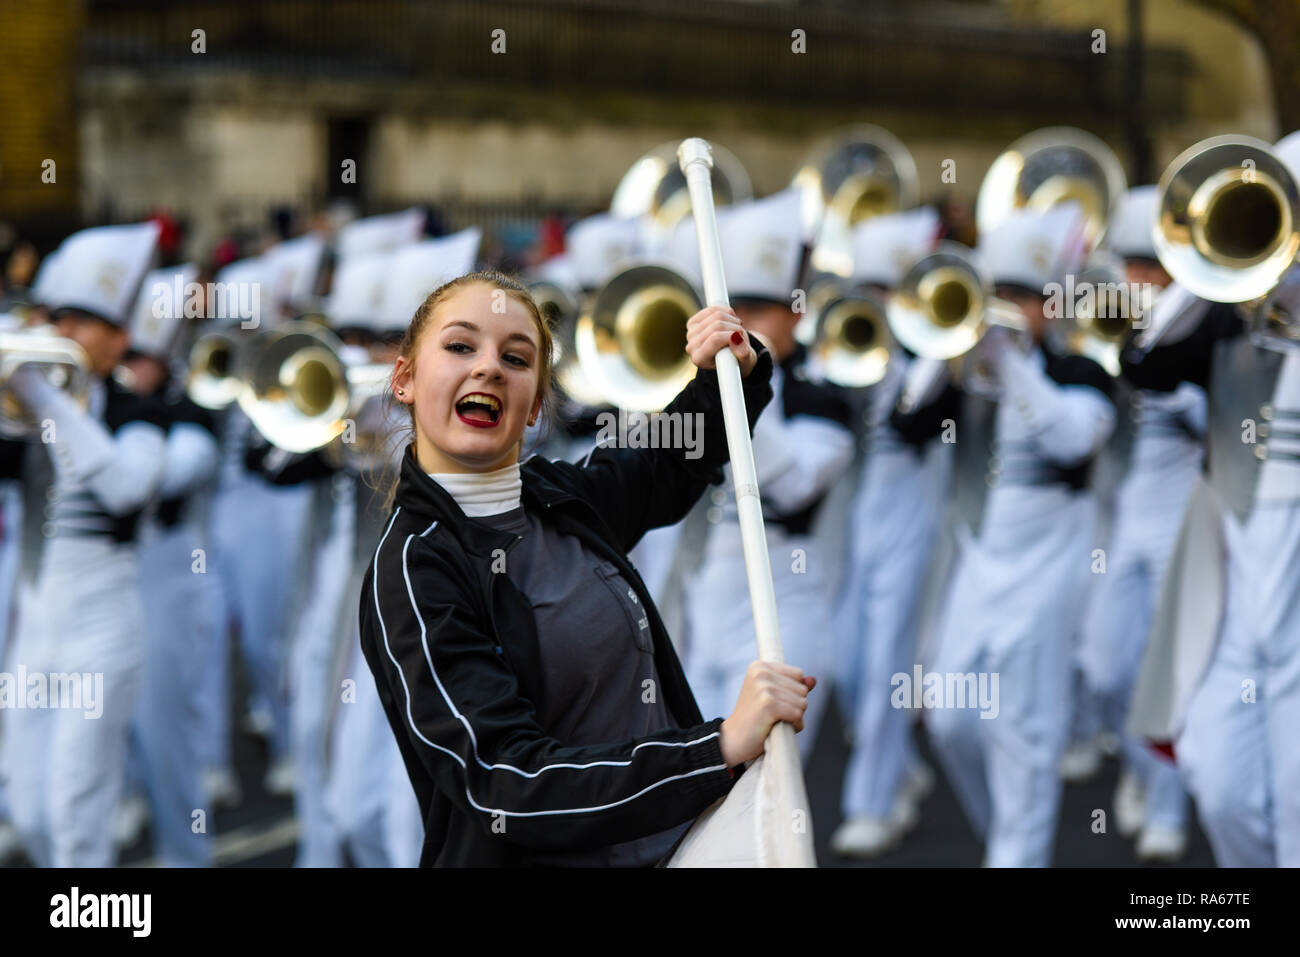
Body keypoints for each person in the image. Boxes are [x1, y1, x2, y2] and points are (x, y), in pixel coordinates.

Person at [359, 269, 816, 867]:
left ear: (534, 408)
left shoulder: (556, 495)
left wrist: (733, 366)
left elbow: (671, 463)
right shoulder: (414, 569)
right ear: (405, 378)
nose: (490, 368)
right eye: (460, 346)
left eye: (517, 358)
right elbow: (506, 781)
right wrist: (716, 749)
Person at [919, 204, 1117, 867]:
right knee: (949, 720)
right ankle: (1007, 843)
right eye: (999, 293)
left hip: (1049, 573)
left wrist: (1012, 363)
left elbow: (1070, 441)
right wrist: (942, 339)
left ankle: (1016, 852)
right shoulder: (969, 370)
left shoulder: (1080, 373)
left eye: (1025, 296)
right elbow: (905, 420)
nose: (1009, 307)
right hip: (980, 567)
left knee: (1026, 736)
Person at [1122, 130, 1300, 868]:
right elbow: (1145, 361)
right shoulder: (1226, 322)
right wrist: (1214, 260)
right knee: (1218, 782)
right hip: (1232, 598)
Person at [1, 222, 168, 867]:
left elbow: (127, 487)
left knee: (79, 821)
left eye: (80, 321)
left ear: (119, 339)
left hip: (101, 638)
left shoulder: (139, 413)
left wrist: (43, 394)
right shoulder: (22, 412)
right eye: (57, 317)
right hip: (34, 635)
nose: (61, 332)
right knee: (32, 813)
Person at [673, 189, 854, 764]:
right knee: (701, 796)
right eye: (732, 308)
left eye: (758, 307)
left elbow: (797, 483)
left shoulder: (822, 396)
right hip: (702, 607)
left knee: (769, 794)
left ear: (796, 311)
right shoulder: (694, 389)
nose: (741, 323)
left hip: (784, 613)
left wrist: (747, 388)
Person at [1068, 186, 1200, 861]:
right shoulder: (1116, 323)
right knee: (1104, 662)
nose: (1143, 279)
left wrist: (1174, 387)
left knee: (1170, 667)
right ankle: (1141, 768)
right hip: (1120, 521)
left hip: (1182, 522)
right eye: (1134, 264)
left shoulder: (1199, 326)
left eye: (1154, 265)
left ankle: (1166, 805)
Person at [830, 206, 951, 857]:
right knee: (847, 662)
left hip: (911, 517)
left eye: (886, 291)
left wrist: (913, 350)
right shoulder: (850, 343)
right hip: (856, 522)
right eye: (868, 291)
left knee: (885, 665)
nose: (875, 304)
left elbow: (914, 421)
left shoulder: (933, 354)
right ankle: (899, 766)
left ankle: (870, 803)